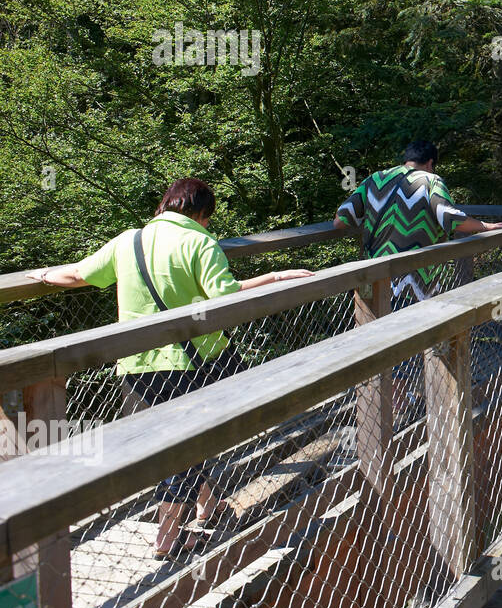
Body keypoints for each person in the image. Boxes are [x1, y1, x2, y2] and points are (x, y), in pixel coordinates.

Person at [27, 178, 313, 560]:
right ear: (201, 213)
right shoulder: (200, 241)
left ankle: (206, 506)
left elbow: (79, 276)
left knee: (171, 446)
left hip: (139, 365)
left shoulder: (128, 241)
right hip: (197, 363)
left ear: (165, 205)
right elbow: (224, 296)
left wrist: (44, 275)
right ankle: (167, 538)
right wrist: (275, 277)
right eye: (208, 218)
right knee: (188, 445)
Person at [333, 140, 502, 303]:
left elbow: (340, 222)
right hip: (418, 285)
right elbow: (450, 218)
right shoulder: (431, 180)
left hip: (374, 281)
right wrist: (485, 226)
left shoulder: (374, 179)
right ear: (430, 163)